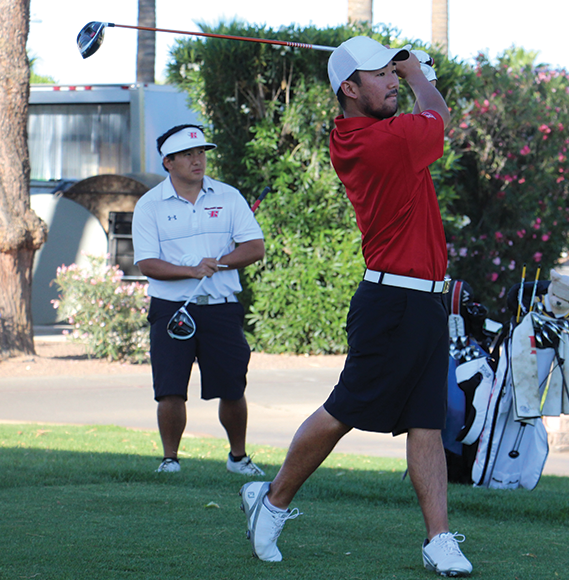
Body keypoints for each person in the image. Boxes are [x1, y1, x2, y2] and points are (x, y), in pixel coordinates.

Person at [238, 37, 473, 577]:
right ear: (349, 87)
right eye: (380, 75)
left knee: (426, 422)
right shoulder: (378, 142)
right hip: (391, 303)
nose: (390, 81)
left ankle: (438, 540)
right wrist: (419, 74)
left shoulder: (375, 132)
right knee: (343, 411)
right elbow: (438, 115)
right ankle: (270, 503)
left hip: (423, 302)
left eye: (392, 72)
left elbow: (423, 116)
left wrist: (409, 74)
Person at [132, 124, 267, 476]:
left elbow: (254, 247)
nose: (198, 160)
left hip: (221, 307)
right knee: (170, 388)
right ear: (168, 162)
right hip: (171, 310)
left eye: (201, 153)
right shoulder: (149, 206)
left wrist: (219, 263)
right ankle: (170, 459)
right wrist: (191, 270)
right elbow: (147, 263)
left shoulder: (228, 196)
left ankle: (237, 457)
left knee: (232, 386)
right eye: (188, 155)